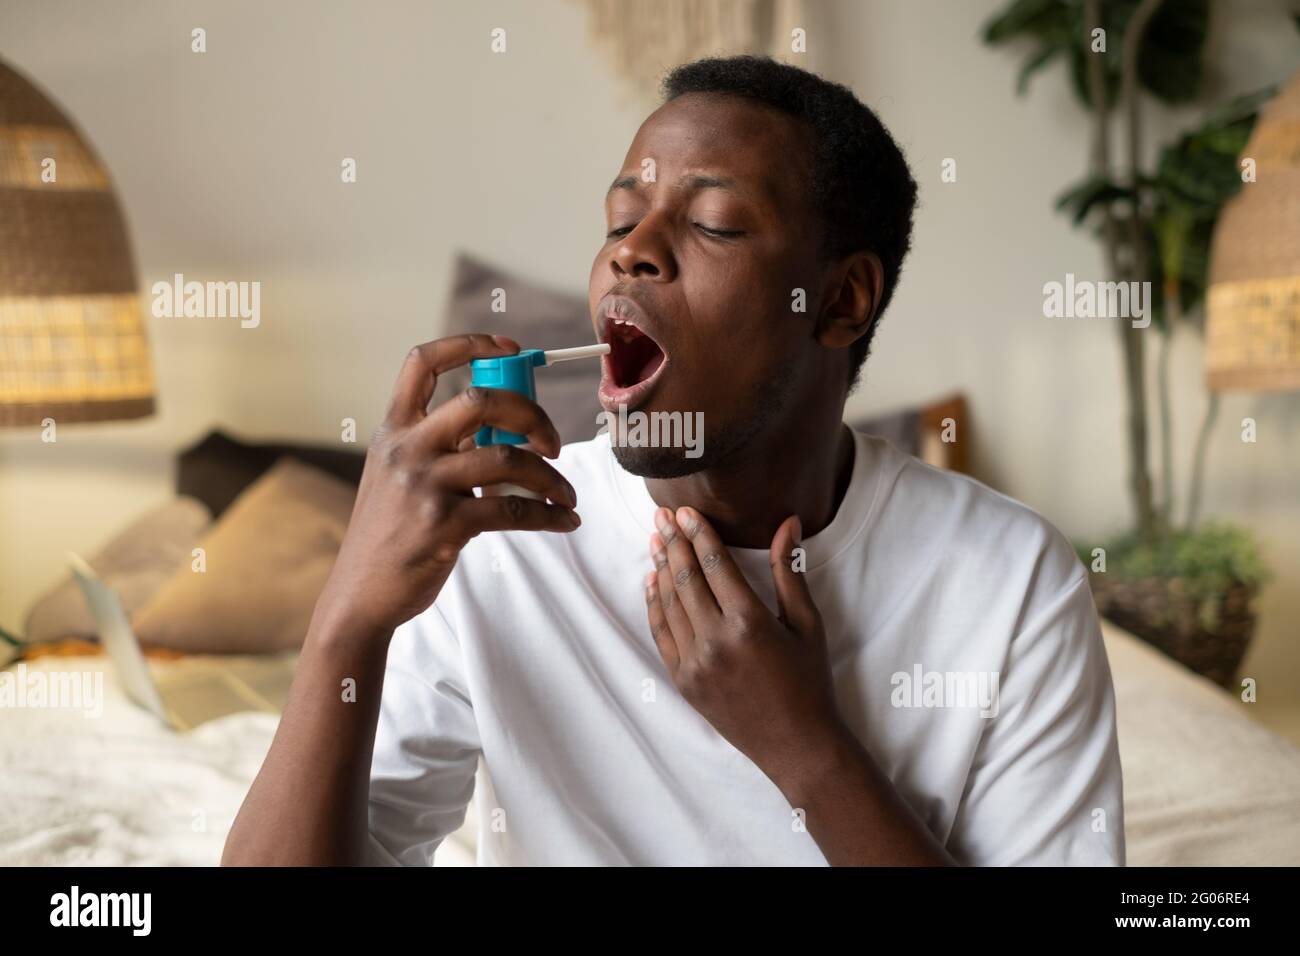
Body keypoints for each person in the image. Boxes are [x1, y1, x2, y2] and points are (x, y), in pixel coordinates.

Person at [223, 55, 1124, 867]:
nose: (631, 251)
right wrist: (349, 611)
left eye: (716, 225)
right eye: (621, 218)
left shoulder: (1013, 581)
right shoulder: (501, 537)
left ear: (840, 299)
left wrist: (805, 751)